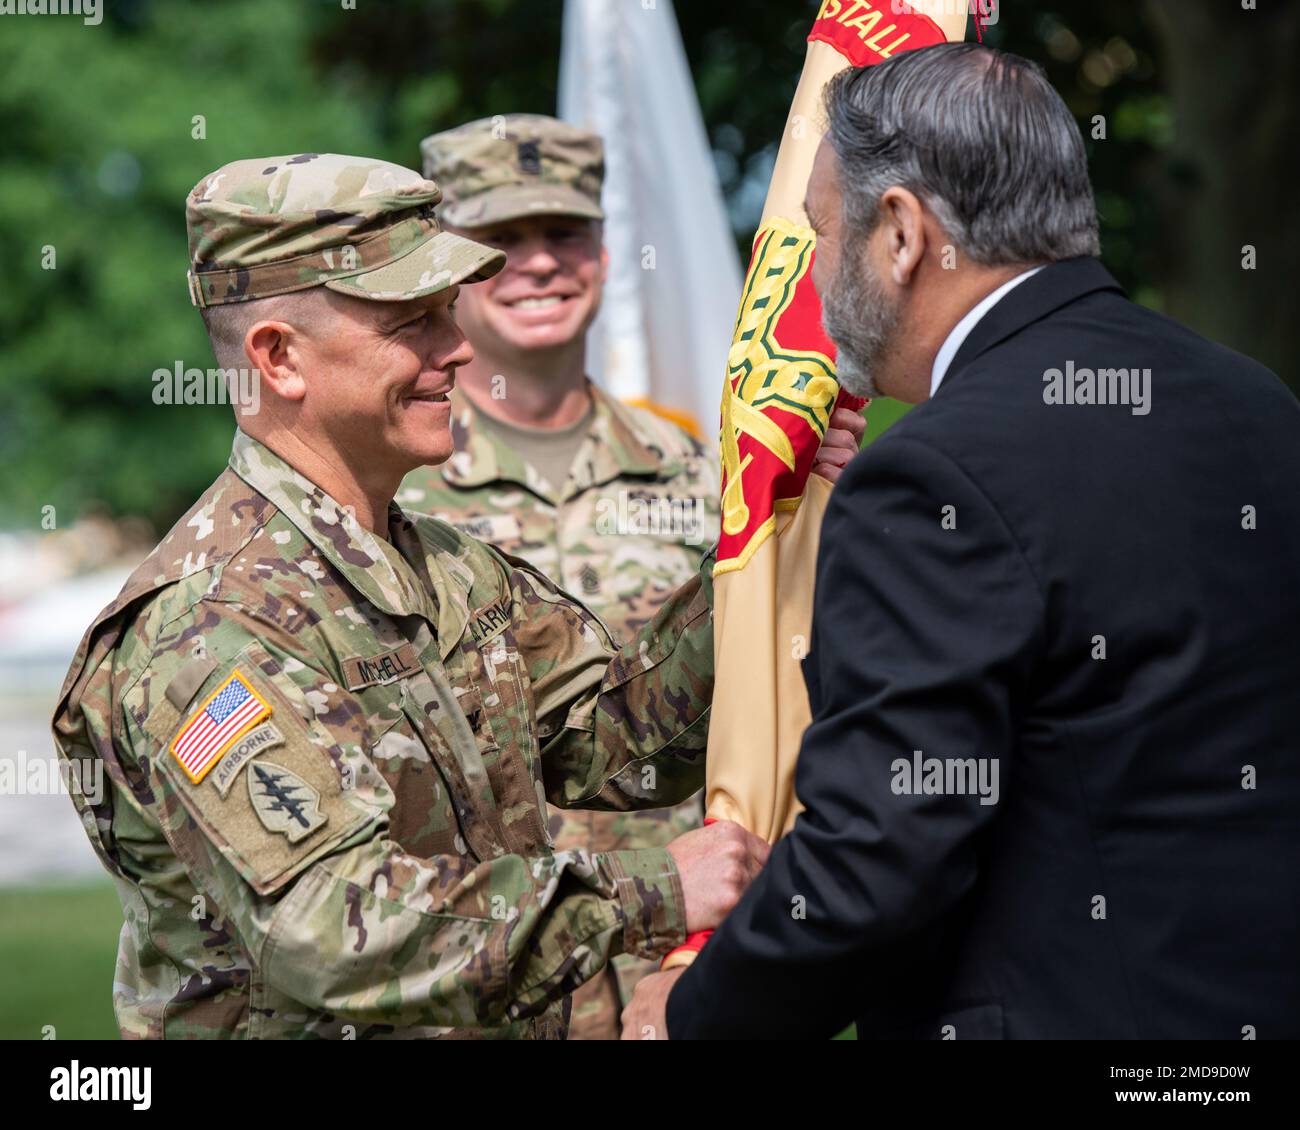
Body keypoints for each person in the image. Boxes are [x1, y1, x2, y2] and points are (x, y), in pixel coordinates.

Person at [635, 43, 1300, 1039]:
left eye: (821, 232)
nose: (813, 279)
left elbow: (874, 861)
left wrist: (689, 1013)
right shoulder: (1258, 402)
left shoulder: (935, 475)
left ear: (901, 233)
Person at [51, 153, 773, 1040]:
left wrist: (770, 527)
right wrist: (652, 890)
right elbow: (334, 932)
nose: (459, 349)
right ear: (278, 359)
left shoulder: (445, 565)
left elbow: (618, 746)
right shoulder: (207, 625)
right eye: (413, 322)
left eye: (448, 313)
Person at [400, 114, 867, 1037]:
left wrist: (812, 511)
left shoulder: (707, 473)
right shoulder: (397, 488)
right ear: (446, 271)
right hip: (474, 987)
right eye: (500, 239)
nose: (538, 263)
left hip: (674, 973)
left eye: (563, 234)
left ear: (605, 257)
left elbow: (765, 678)